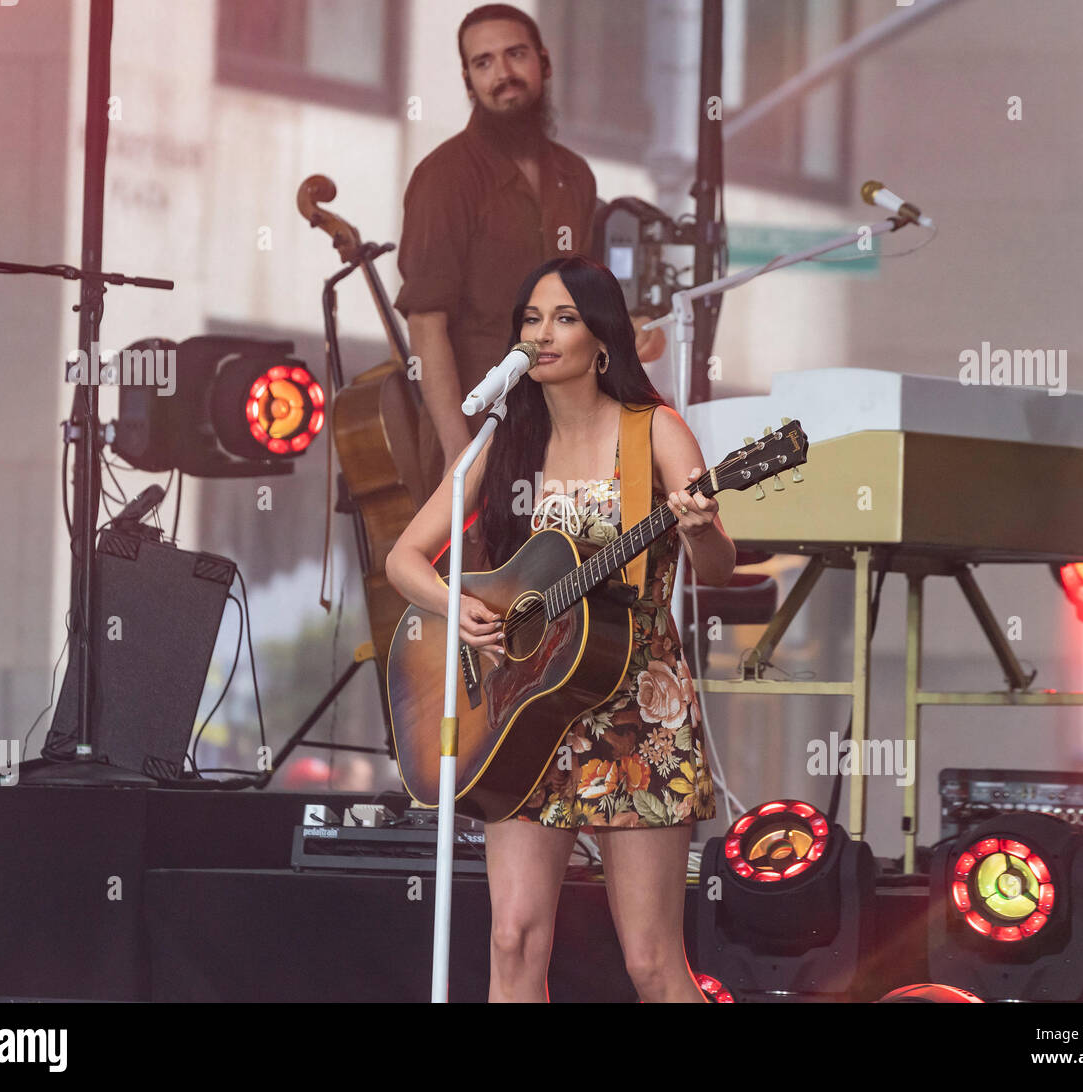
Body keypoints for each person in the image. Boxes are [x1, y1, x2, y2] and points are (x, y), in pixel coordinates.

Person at [385, 256, 736, 1002]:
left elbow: (719, 565)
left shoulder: (654, 431)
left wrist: (701, 527)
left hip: (638, 717)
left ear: (603, 341)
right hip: (522, 714)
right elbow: (404, 560)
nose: (543, 335)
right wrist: (460, 608)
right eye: (531, 320)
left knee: (650, 962)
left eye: (564, 318)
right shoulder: (502, 442)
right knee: (513, 939)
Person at [394, 4, 662, 489]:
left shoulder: (574, 175)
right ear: (468, 79)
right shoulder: (444, 177)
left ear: (544, 61)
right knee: (478, 567)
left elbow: (584, 304)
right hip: (481, 423)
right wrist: (460, 451)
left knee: (569, 562)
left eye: (516, 54)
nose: (503, 74)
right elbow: (426, 321)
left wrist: (635, 328)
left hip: (568, 425)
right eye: (484, 62)